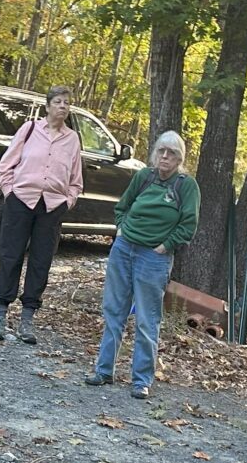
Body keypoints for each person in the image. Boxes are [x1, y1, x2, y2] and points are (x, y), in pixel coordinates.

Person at [84, 131, 199, 399]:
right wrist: (121, 230)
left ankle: (141, 380)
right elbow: (122, 207)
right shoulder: (144, 177)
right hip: (124, 249)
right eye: (161, 151)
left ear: (179, 158)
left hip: (154, 257)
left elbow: (188, 225)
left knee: (147, 319)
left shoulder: (186, 186)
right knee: (114, 311)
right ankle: (104, 370)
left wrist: (165, 246)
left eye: (171, 153)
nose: (165, 157)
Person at [0, 87, 84, 344]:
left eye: (67, 103)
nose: (63, 106)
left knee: (41, 261)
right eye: (58, 102)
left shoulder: (72, 139)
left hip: (51, 207)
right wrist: (10, 192)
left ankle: (27, 320)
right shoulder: (29, 129)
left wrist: (68, 201)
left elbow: (76, 180)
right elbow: (5, 165)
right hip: (21, 200)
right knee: (11, 256)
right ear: (48, 106)